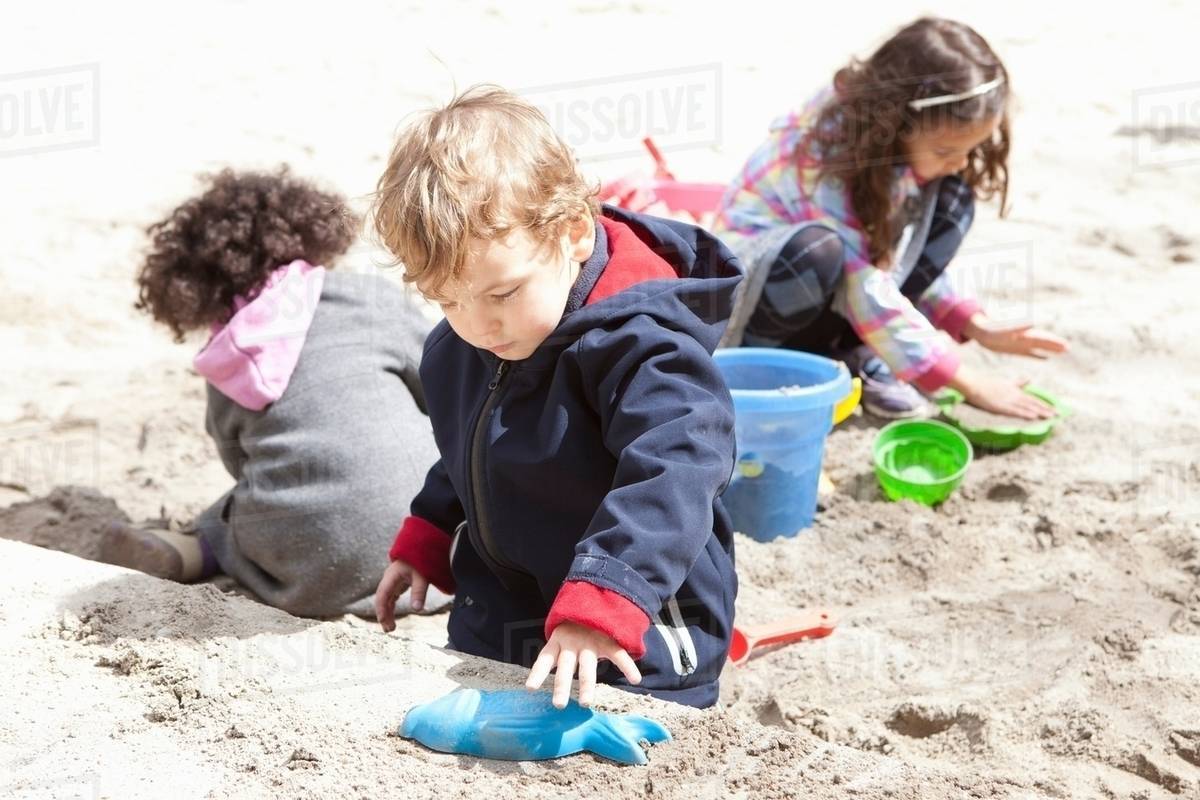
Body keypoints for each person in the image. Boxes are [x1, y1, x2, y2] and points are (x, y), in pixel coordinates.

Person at [371, 86, 740, 709]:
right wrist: (431, 529)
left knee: (624, 737)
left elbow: (676, 472)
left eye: (502, 293)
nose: (477, 324)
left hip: (637, 616)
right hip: (505, 606)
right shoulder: (465, 343)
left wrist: (606, 598)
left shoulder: (645, 348)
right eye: (447, 300)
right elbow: (474, 441)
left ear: (572, 233)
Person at [103, 167, 443, 618]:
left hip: (307, 577)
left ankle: (196, 550)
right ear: (311, 232)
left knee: (246, 507)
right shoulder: (366, 298)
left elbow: (239, 462)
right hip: (430, 558)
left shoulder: (226, 354)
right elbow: (439, 385)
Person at [714, 17, 1068, 419]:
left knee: (952, 201)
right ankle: (759, 373)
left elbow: (892, 257)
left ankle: (856, 356)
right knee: (818, 251)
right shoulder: (820, 152)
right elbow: (862, 282)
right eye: (944, 150)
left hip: (838, 295)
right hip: (753, 299)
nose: (961, 162)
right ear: (897, 123)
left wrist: (974, 324)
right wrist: (968, 381)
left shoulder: (894, 158)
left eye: (971, 148)